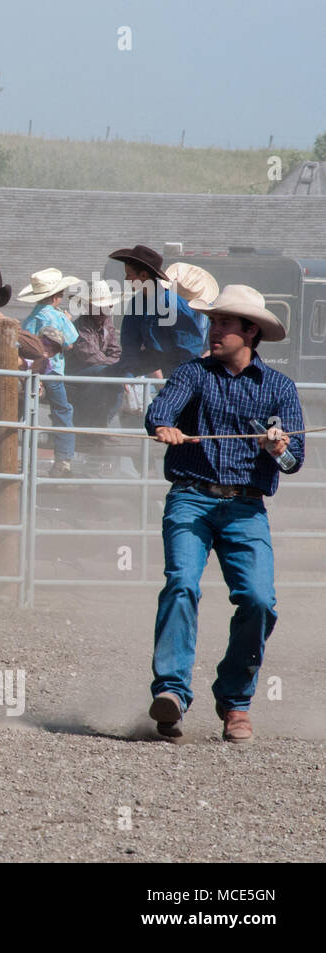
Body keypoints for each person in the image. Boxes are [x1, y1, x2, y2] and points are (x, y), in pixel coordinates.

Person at [145, 285, 304, 743]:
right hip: (190, 497)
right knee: (181, 584)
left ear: (250, 331)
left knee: (258, 600)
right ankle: (171, 693)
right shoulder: (193, 373)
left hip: (245, 507)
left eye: (224, 324)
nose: (213, 330)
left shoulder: (279, 389)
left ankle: (235, 701)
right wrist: (165, 427)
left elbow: (296, 461)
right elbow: (161, 409)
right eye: (213, 322)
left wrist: (279, 450)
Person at [109, 243, 207, 379]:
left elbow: (189, 348)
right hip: (155, 360)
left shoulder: (173, 304)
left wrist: (185, 380)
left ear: (143, 275)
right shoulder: (137, 302)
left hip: (179, 367)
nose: (126, 279)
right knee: (106, 373)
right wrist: (127, 373)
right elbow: (130, 343)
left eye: (129, 274)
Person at [18, 268, 80, 475]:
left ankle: (15, 456)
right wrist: (67, 319)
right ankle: (63, 458)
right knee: (62, 410)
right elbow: (71, 341)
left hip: (31, 371)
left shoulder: (31, 317)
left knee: (23, 410)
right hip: (52, 371)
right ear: (55, 296)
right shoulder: (57, 316)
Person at [65, 279, 124, 463]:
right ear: (89, 307)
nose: (104, 311)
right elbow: (89, 356)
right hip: (76, 376)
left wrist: (116, 368)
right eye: (100, 307)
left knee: (116, 376)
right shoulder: (82, 326)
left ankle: (100, 425)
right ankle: (94, 426)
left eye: (107, 307)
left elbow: (116, 351)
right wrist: (114, 368)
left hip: (97, 374)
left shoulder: (108, 325)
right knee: (106, 373)